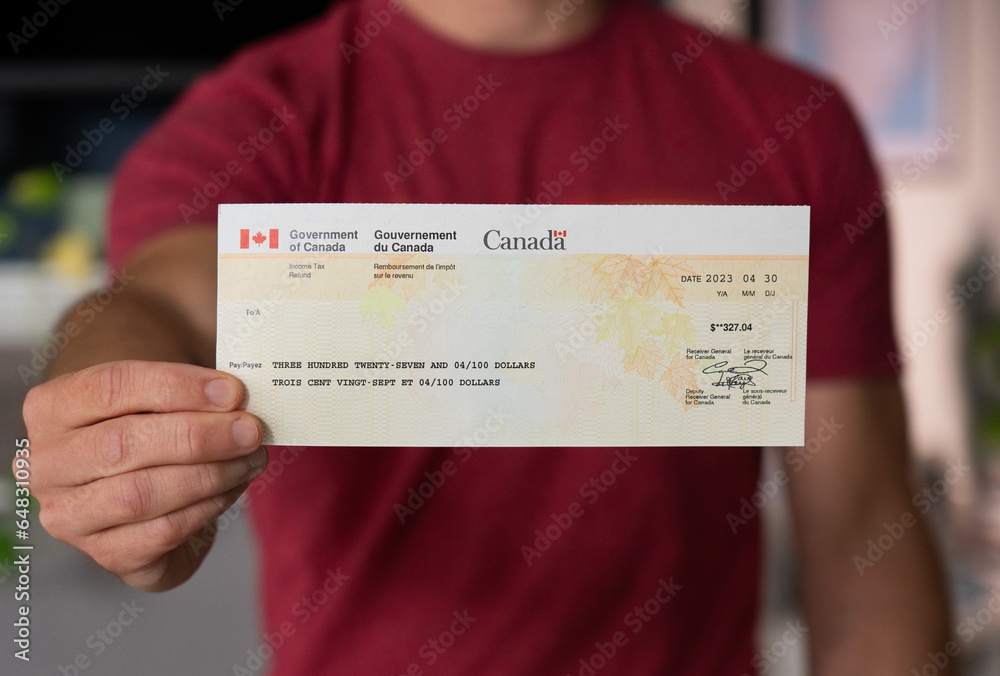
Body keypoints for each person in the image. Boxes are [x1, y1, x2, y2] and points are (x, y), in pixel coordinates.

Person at [22, 0, 952, 673]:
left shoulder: (789, 125)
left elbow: (864, 530)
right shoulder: (254, 123)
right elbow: (165, 302)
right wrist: (114, 413)